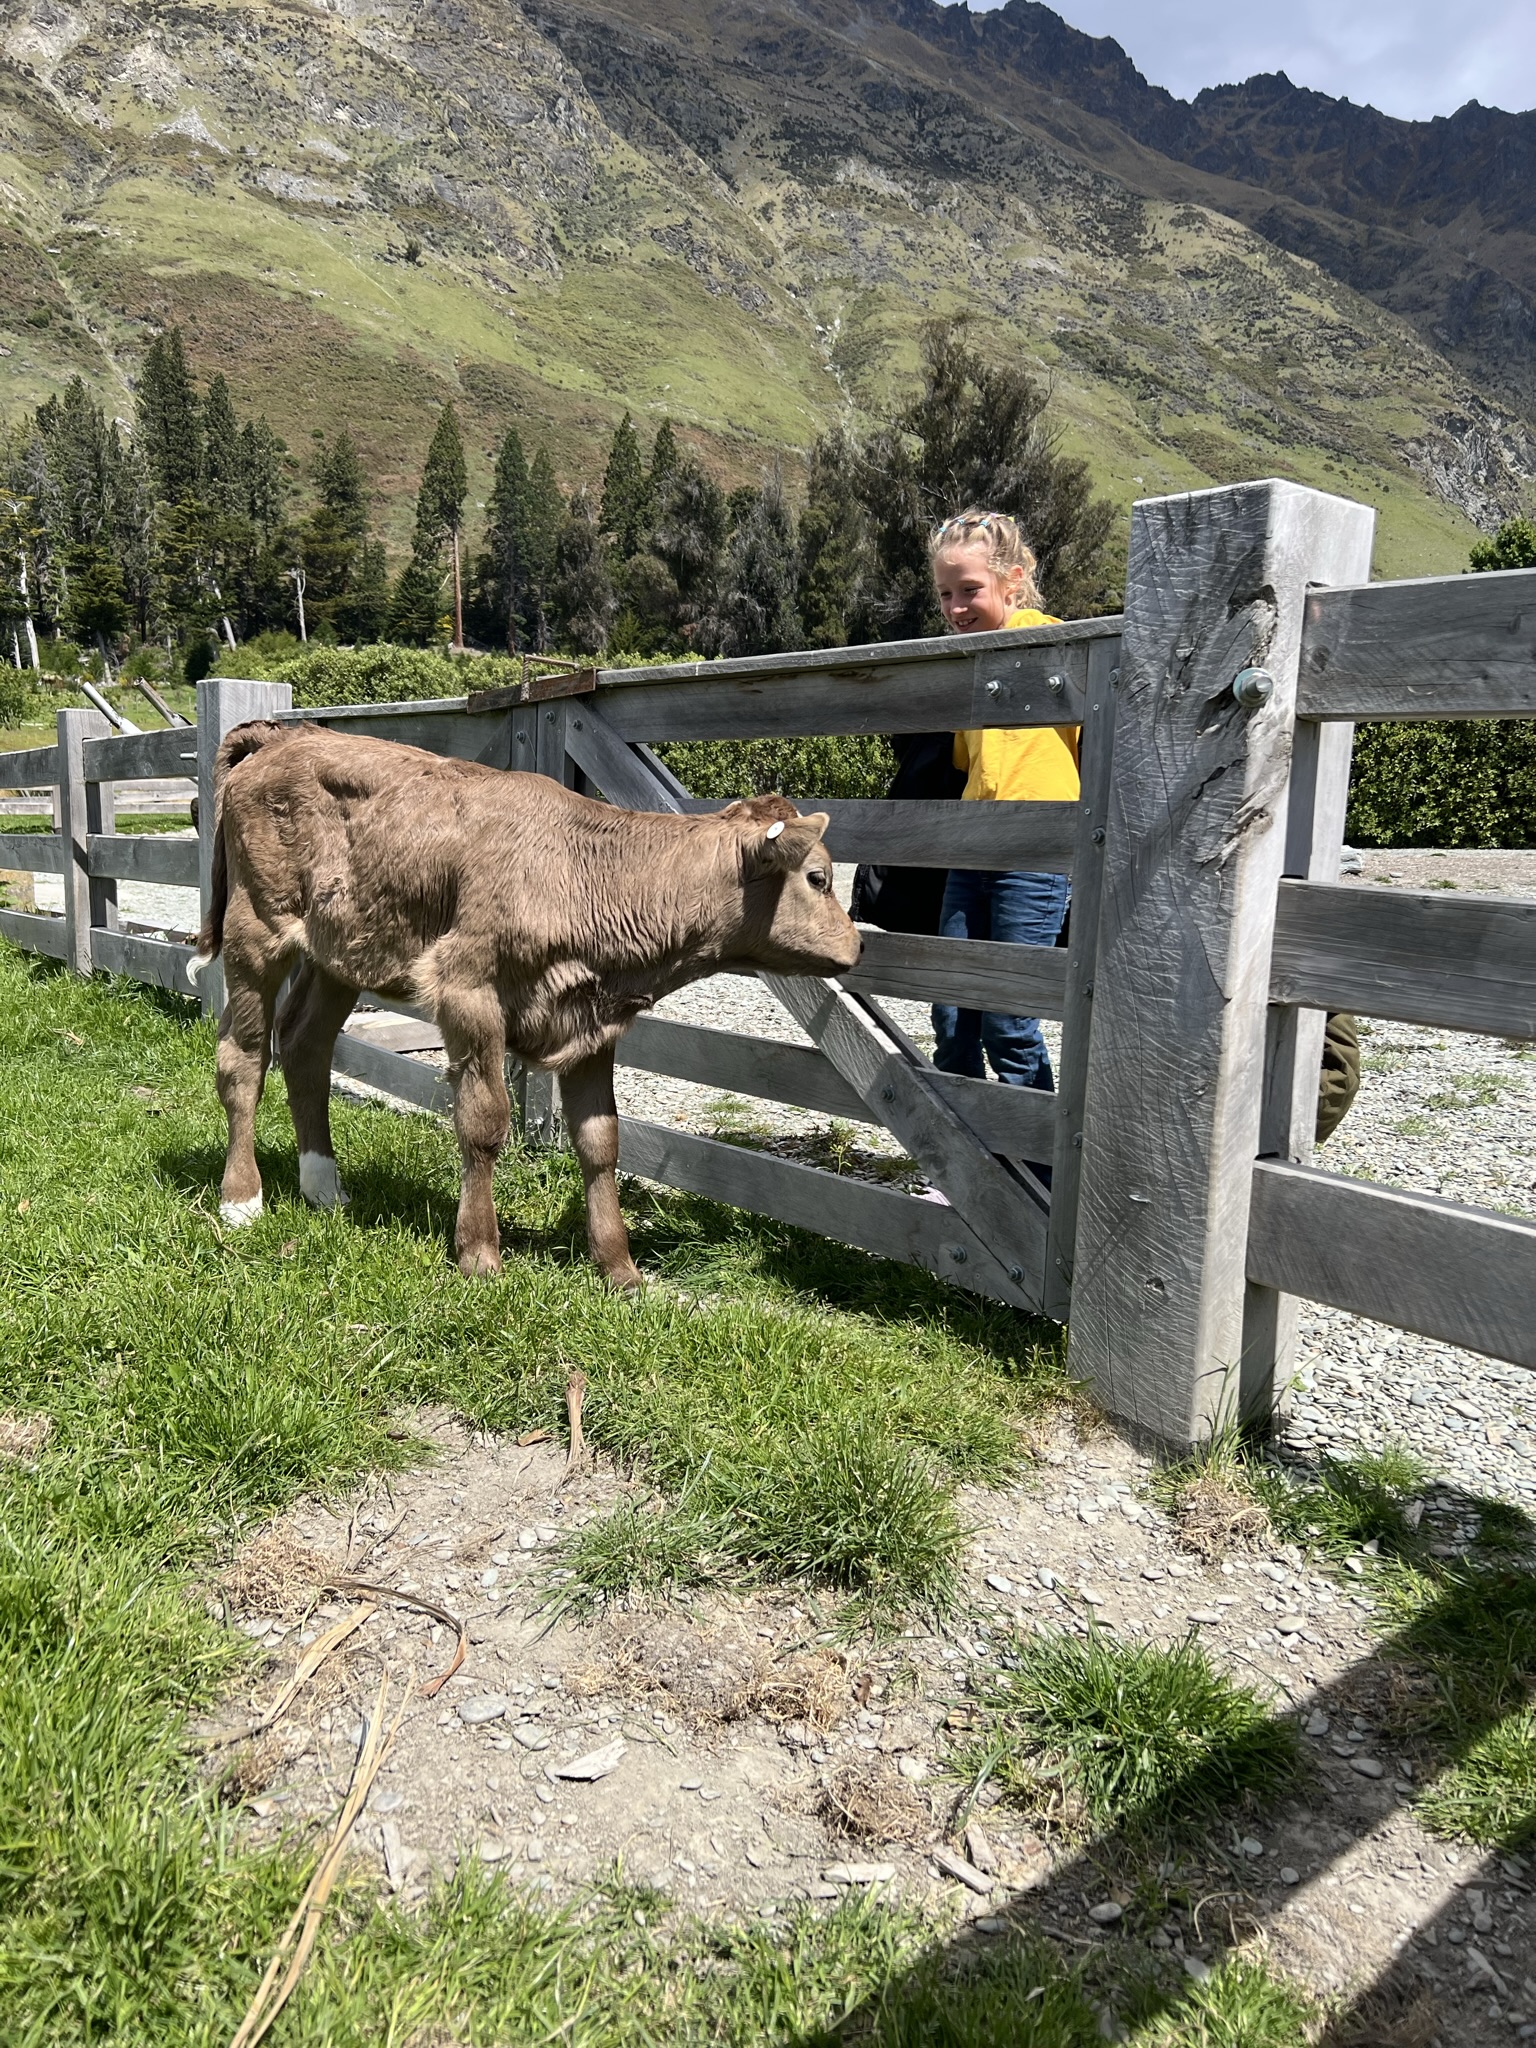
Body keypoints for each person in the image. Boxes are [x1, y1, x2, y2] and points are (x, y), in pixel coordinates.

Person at [927, 508, 1075, 1095]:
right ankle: (964, 1160)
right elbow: (969, 765)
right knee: (952, 1011)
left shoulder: (1050, 642)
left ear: (1013, 579)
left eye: (970, 590)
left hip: (1035, 854)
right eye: (945, 594)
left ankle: (1034, 1172)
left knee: (1009, 1020)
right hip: (973, 850)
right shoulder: (970, 667)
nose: (957, 608)